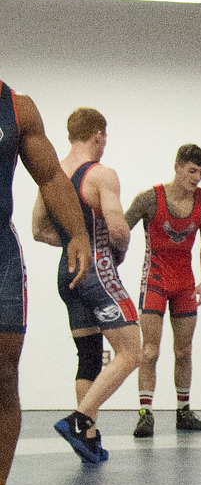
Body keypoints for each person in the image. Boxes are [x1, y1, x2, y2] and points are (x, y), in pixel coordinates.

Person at [0, 80, 92, 485]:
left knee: (4, 371)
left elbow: (52, 176)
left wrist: (78, 234)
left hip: (0, 254)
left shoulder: (16, 108)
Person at [33, 108, 139, 463]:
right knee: (132, 351)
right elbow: (119, 230)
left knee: (89, 355)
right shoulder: (101, 174)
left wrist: (72, 243)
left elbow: (39, 230)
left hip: (67, 273)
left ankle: (89, 439)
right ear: (99, 135)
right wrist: (113, 253)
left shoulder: (51, 175)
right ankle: (80, 420)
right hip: (97, 271)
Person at [125, 145, 201, 437]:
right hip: (155, 280)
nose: (197, 178)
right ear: (177, 167)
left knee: (184, 351)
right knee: (150, 351)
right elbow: (120, 231)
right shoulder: (149, 199)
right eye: (192, 171)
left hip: (185, 283)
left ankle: (184, 411)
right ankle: (145, 414)